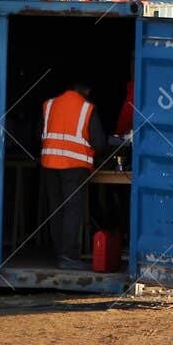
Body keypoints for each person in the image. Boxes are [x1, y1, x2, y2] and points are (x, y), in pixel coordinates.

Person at [40, 80, 106, 269]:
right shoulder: (87, 108)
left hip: (49, 164)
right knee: (72, 210)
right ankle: (68, 256)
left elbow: (38, 134)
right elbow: (99, 143)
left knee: (56, 208)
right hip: (74, 166)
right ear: (87, 89)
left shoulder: (49, 104)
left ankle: (59, 253)